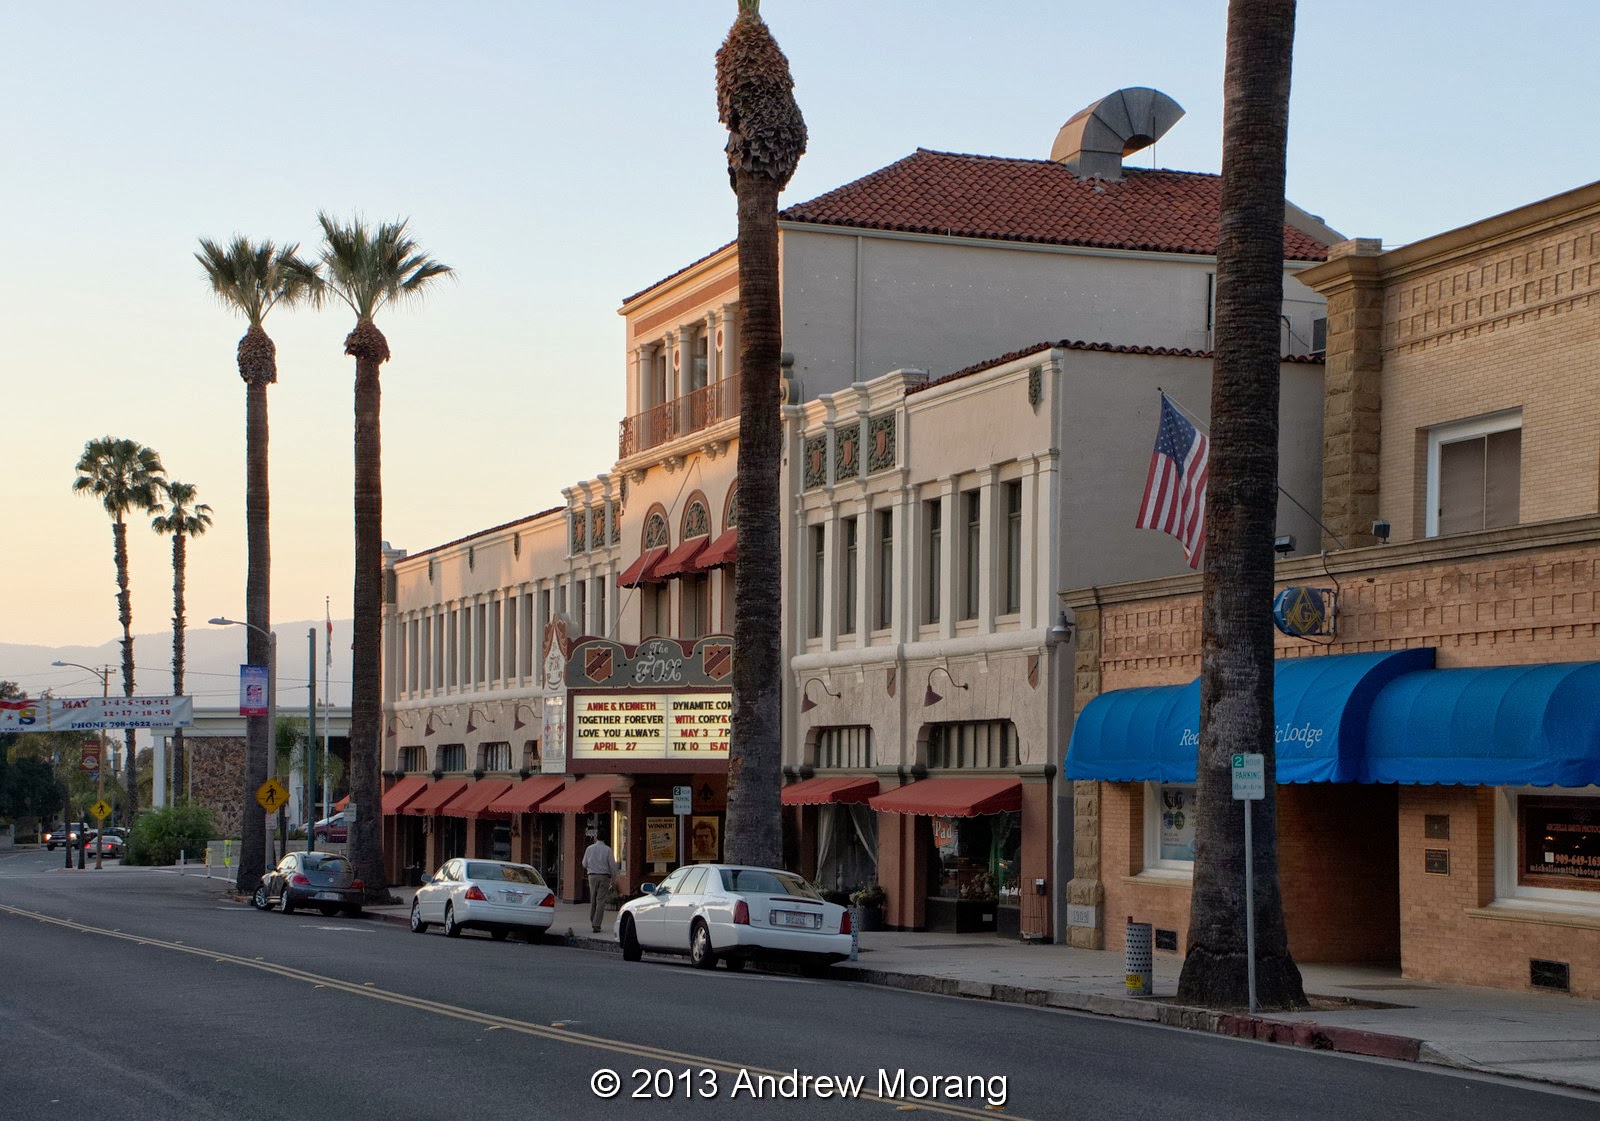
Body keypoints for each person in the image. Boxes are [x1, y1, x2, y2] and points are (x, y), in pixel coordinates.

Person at [582, 831, 620, 933]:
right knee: (601, 901)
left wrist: (591, 867)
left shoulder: (589, 849)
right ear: (605, 839)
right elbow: (612, 865)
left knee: (593, 899)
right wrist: (614, 878)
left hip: (592, 876)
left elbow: (584, 864)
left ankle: (592, 919)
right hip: (604, 876)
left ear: (596, 838)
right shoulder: (608, 849)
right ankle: (596, 924)